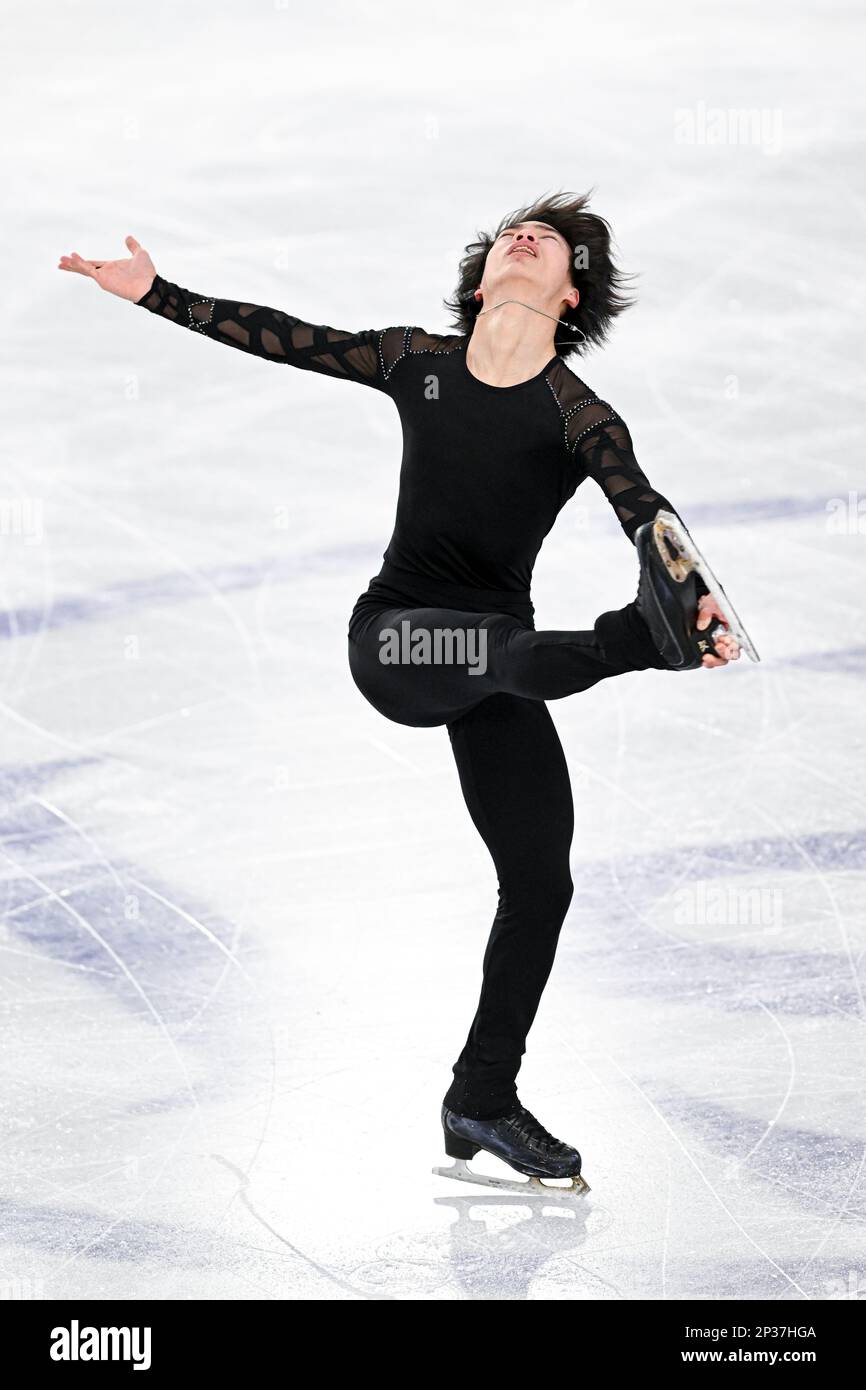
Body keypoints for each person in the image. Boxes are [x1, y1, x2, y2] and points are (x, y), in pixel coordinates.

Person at [58, 191, 740, 1194]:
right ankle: (645, 641)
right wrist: (152, 291)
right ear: (479, 280)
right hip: (397, 638)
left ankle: (481, 1095)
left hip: (495, 656)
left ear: (569, 292)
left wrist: (670, 559)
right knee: (513, 653)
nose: (521, 237)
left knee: (540, 879)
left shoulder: (576, 414)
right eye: (510, 232)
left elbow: (642, 508)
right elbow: (282, 339)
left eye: (544, 239)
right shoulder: (414, 359)